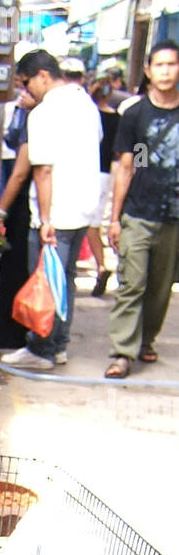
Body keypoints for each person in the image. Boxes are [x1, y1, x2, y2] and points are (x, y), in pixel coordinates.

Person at [0, 49, 102, 370]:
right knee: (64, 279)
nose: (25, 91)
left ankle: (41, 348)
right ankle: (58, 345)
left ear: (43, 76)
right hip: (82, 207)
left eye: (26, 83)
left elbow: (41, 170)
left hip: (55, 213)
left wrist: (45, 219)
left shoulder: (43, 114)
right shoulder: (86, 103)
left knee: (45, 279)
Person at [104, 40, 179, 378]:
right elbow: (130, 164)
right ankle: (122, 351)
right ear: (148, 71)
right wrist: (115, 218)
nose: (165, 71)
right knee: (132, 283)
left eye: (172, 65)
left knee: (161, 288)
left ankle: (147, 340)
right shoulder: (136, 115)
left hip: (173, 217)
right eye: (159, 65)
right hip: (138, 213)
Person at [0, 89, 35, 351]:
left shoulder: (38, 118)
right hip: (29, 204)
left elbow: (19, 173)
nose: (22, 94)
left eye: (27, 86)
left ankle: (13, 338)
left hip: (24, 207)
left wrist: (0, 212)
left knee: (15, 271)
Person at [88, 74, 120, 297]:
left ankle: (101, 266)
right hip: (107, 174)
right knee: (95, 224)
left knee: (91, 224)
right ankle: (102, 266)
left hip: (91, 173)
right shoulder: (118, 118)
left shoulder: (90, 115)